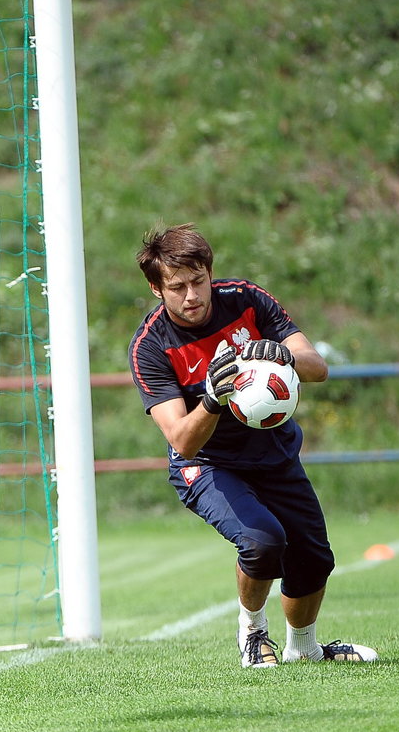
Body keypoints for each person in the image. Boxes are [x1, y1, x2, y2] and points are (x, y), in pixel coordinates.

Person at [127, 224, 376, 669]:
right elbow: (182, 441)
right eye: (177, 286)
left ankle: (306, 648)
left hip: (272, 452)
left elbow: (317, 368)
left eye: (198, 281)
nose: (191, 296)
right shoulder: (151, 346)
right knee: (262, 541)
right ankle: (253, 636)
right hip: (206, 463)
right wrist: (211, 398)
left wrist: (284, 357)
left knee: (314, 559)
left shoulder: (247, 300)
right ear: (155, 288)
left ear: (210, 273)